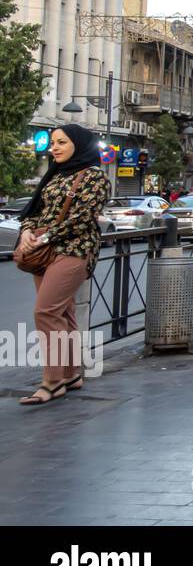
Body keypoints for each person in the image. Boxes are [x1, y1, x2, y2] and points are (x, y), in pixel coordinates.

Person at [14, 124, 110, 405]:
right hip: (44, 251)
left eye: (61, 143)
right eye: (53, 143)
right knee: (63, 314)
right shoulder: (54, 175)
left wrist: (44, 238)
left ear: (78, 145)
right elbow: (34, 210)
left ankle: (52, 382)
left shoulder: (95, 177)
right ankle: (70, 374)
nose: (53, 147)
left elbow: (83, 217)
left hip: (74, 249)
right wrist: (27, 233)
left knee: (45, 311)